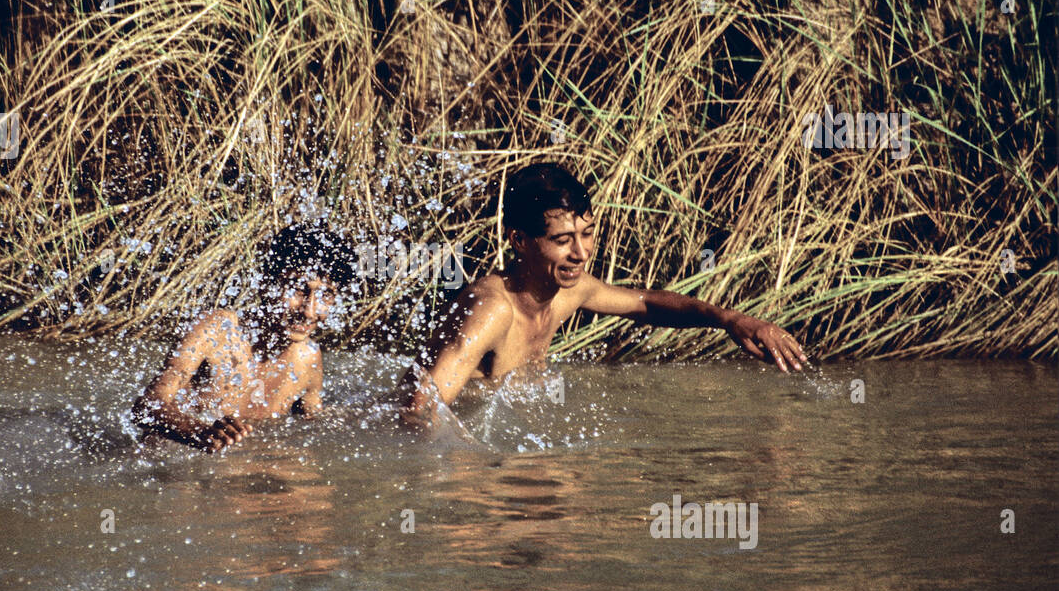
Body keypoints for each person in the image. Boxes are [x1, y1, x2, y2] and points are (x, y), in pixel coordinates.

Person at [399, 163, 809, 426]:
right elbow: (419, 410)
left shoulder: (567, 291)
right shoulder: (492, 312)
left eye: (587, 234)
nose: (580, 253)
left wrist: (731, 320)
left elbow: (645, 303)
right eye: (562, 240)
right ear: (519, 241)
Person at [133, 222, 356, 452]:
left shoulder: (308, 359)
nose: (309, 311)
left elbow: (314, 427)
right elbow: (146, 407)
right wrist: (198, 432)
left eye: (325, 295)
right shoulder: (217, 330)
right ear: (266, 284)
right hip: (175, 471)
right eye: (298, 289)